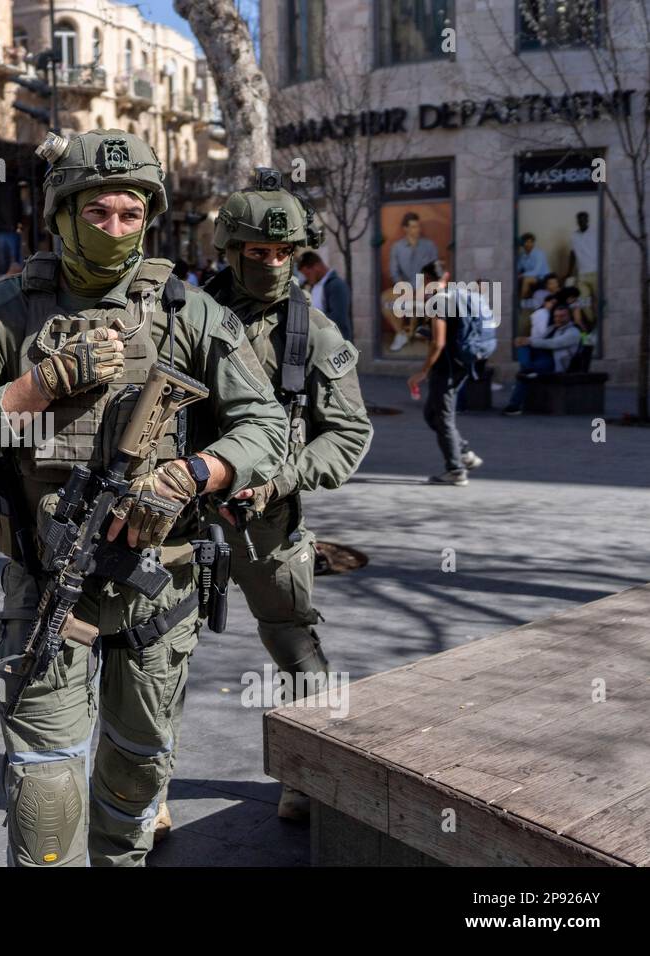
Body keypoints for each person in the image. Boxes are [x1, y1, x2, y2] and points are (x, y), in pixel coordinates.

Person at [0, 129, 288, 867]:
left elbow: (266, 426)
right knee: (46, 785)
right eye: (99, 214)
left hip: (161, 586)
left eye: (132, 214)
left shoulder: (188, 312)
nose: (117, 230)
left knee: (138, 762)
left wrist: (197, 473)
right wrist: (41, 385)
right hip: (49, 584)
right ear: (63, 215)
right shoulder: (6, 309)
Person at [200, 170, 373, 822]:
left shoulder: (315, 334)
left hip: (266, 519)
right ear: (230, 249)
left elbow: (349, 432)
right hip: (182, 515)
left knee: (296, 646)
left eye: (285, 254)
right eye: (258, 253)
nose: (273, 265)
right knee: (151, 650)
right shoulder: (188, 317)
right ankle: (139, 795)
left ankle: (315, 776)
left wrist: (287, 476)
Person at [406, 261, 487, 486]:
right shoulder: (455, 295)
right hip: (460, 364)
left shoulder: (439, 302)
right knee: (431, 415)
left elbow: (438, 342)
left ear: (427, 280)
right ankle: (464, 453)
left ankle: (456, 470)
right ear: (447, 275)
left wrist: (423, 372)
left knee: (443, 418)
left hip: (447, 368)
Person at [502, 301, 582, 416]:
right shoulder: (552, 328)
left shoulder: (573, 331)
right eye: (556, 316)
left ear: (569, 316)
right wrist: (524, 340)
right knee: (522, 346)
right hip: (541, 358)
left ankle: (514, 406)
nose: (558, 319)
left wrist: (530, 341)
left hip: (554, 362)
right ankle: (528, 368)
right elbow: (538, 339)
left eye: (562, 316)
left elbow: (554, 343)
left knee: (523, 373)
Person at [386, 212, 439, 351]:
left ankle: (434, 335)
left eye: (418, 226)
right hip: (405, 287)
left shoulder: (429, 245)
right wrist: (403, 287)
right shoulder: (397, 248)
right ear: (405, 229)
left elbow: (435, 270)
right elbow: (394, 272)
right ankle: (401, 333)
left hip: (425, 287)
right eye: (414, 227)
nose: (418, 230)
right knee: (385, 299)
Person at [297, 250, 353, 343]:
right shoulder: (315, 285)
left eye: (307, 274)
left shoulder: (336, 285)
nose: (307, 278)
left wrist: (309, 320)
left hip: (336, 344)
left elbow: (338, 318)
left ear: (317, 266)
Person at [567, 211, 599, 320]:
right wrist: (568, 272)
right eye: (579, 219)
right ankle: (594, 322)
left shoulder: (595, 233)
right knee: (583, 302)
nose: (581, 221)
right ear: (577, 221)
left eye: (584, 219)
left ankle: (601, 326)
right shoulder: (573, 236)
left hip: (596, 272)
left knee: (599, 301)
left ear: (587, 220)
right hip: (582, 274)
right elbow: (573, 254)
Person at [515, 233, 550, 301]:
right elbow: (517, 268)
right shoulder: (522, 256)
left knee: (526, 280)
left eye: (530, 242)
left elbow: (536, 272)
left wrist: (521, 275)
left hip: (542, 278)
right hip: (533, 278)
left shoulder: (539, 254)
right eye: (526, 242)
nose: (528, 244)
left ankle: (521, 301)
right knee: (515, 278)